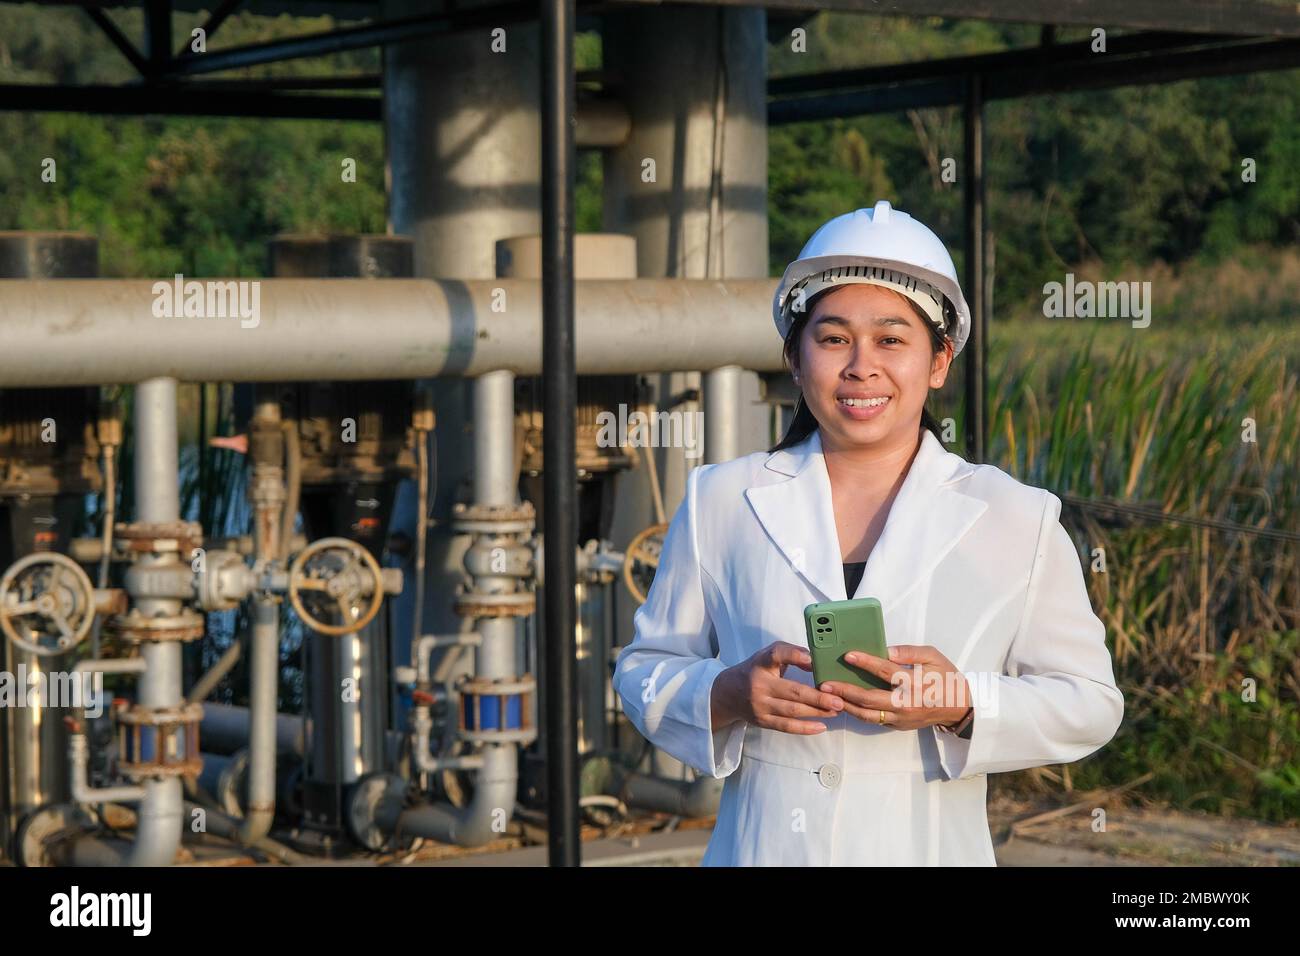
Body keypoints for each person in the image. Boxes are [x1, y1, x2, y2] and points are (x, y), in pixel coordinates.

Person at [611, 201, 1125, 866]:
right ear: (795, 359)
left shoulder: (1015, 516)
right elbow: (643, 672)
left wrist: (959, 699)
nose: (861, 367)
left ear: (938, 361)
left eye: (891, 339)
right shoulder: (722, 500)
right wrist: (728, 693)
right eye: (832, 339)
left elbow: (1089, 702)